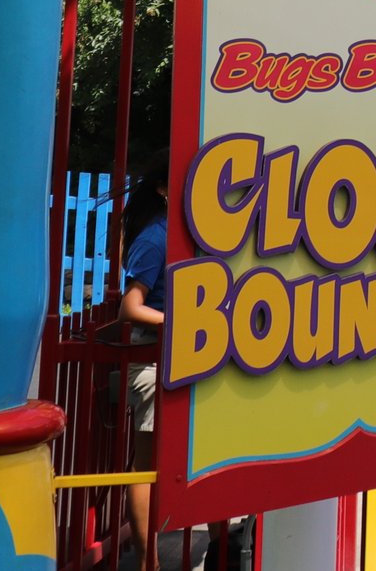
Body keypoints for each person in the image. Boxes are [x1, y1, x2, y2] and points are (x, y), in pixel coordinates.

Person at [116, 157, 229, 570]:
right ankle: (149, 562)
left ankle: (220, 544)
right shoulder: (156, 237)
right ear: (164, 189)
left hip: (195, 359)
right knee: (147, 462)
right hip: (154, 360)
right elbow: (130, 307)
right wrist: (181, 322)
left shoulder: (195, 232)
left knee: (211, 452)